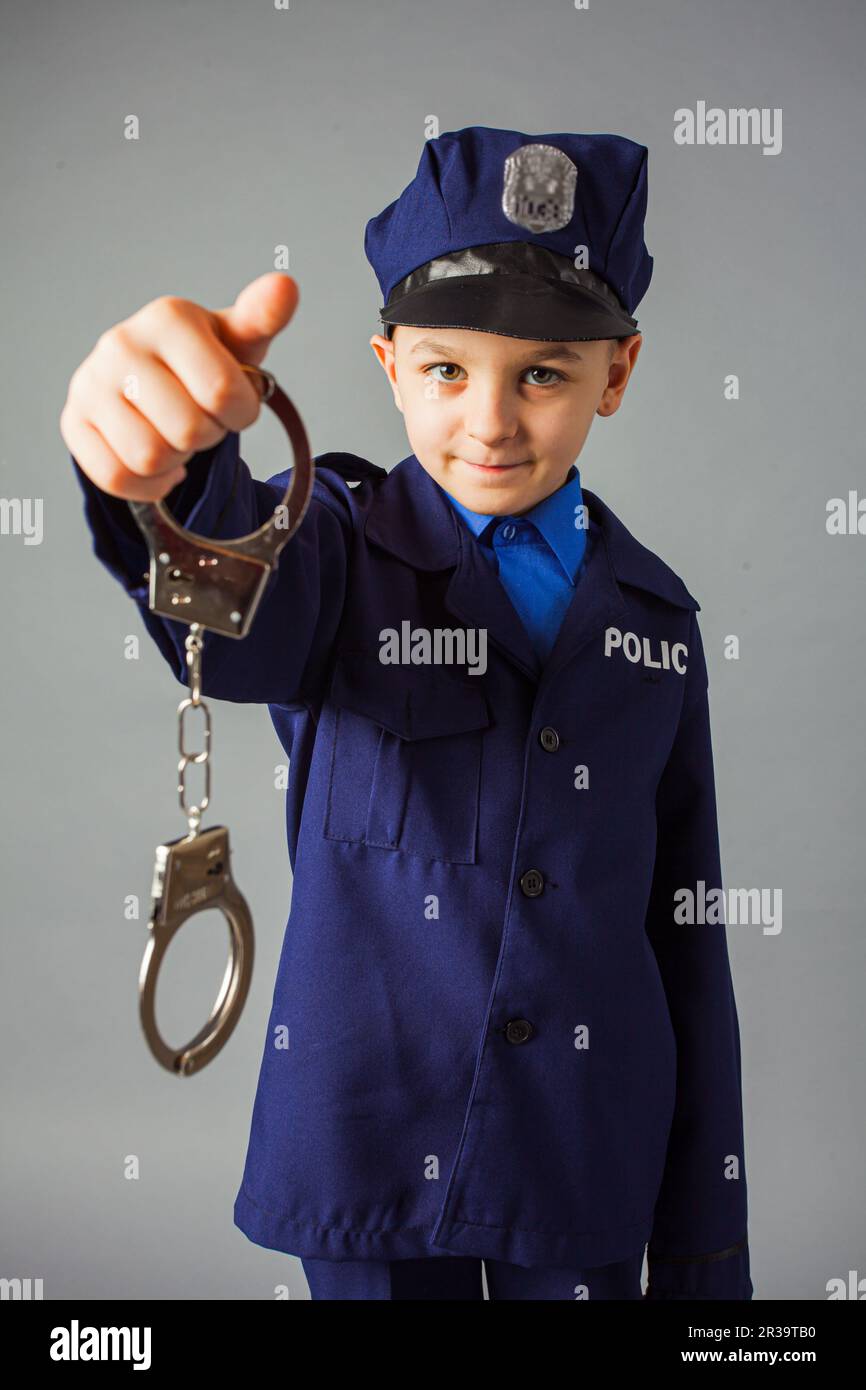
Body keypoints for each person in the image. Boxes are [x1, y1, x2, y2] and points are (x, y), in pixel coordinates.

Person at [60, 126, 753, 1301]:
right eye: (445, 369)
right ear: (388, 367)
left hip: (584, 1150)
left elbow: (685, 936)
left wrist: (702, 1254)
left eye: (541, 372)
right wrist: (169, 477)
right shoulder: (333, 545)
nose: (487, 420)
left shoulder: (656, 621)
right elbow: (245, 599)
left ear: (616, 374)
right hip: (369, 1140)